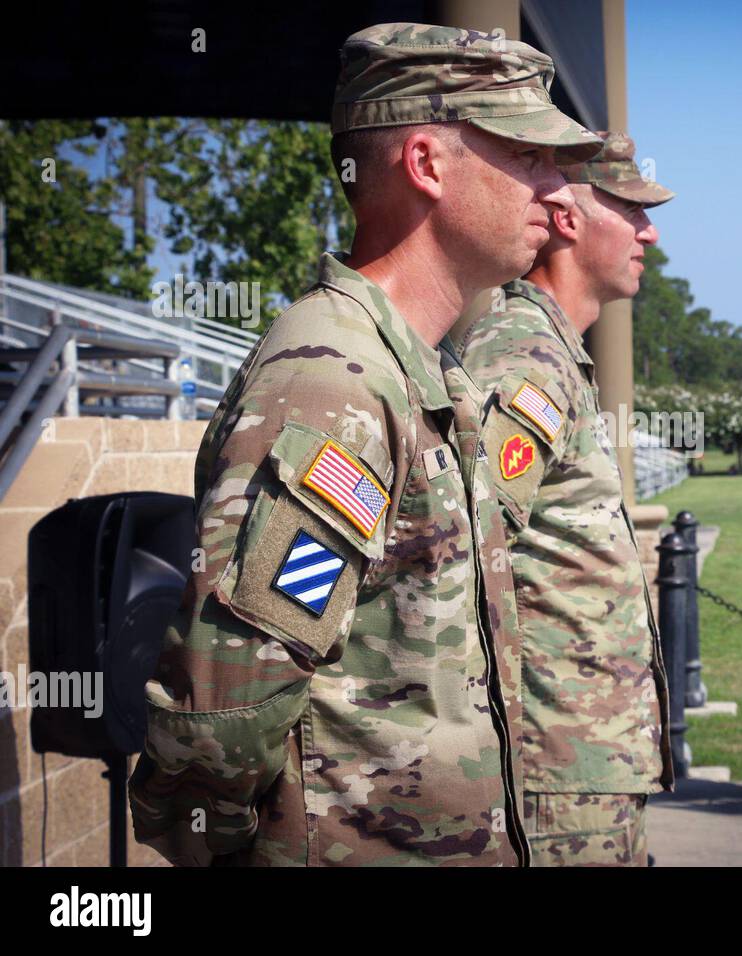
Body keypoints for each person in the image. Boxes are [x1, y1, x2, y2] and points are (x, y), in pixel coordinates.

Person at [127, 22, 601, 867]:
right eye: (530, 155)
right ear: (426, 165)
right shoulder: (336, 379)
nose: (560, 194)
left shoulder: (419, 368)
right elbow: (230, 693)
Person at [456, 132, 673, 865]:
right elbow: (462, 548)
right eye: (632, 210)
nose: (651, 231)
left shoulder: (551, 353)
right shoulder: (525, 356)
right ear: (573, 222)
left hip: (585, 760)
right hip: (554, 767)